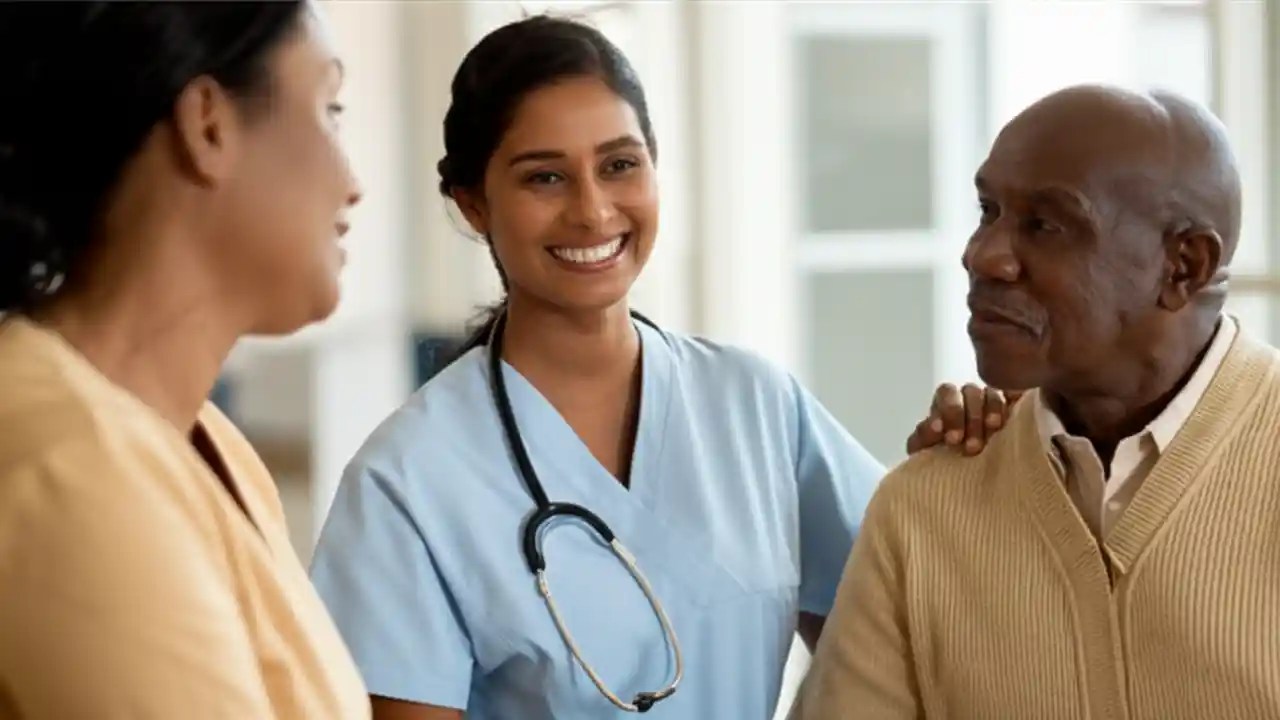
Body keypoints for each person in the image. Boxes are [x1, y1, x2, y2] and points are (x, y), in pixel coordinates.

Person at [307, 15, 1004, 720]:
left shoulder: (755, 406)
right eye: (544, 177)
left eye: (619, 165)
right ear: (474, 203)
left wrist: (955, 477)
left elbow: (903, 650)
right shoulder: (407, 481)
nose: (593, 209)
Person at [790, 84, 1280, 720]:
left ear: (1182, 266)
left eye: (1046, 225)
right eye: (988, 210)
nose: (983, 255)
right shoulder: (922, 510)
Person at [0, 3, 369, 717]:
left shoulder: (210, 445)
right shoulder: (68, 463)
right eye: (330, 108)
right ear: (208, 124)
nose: (351, 180)